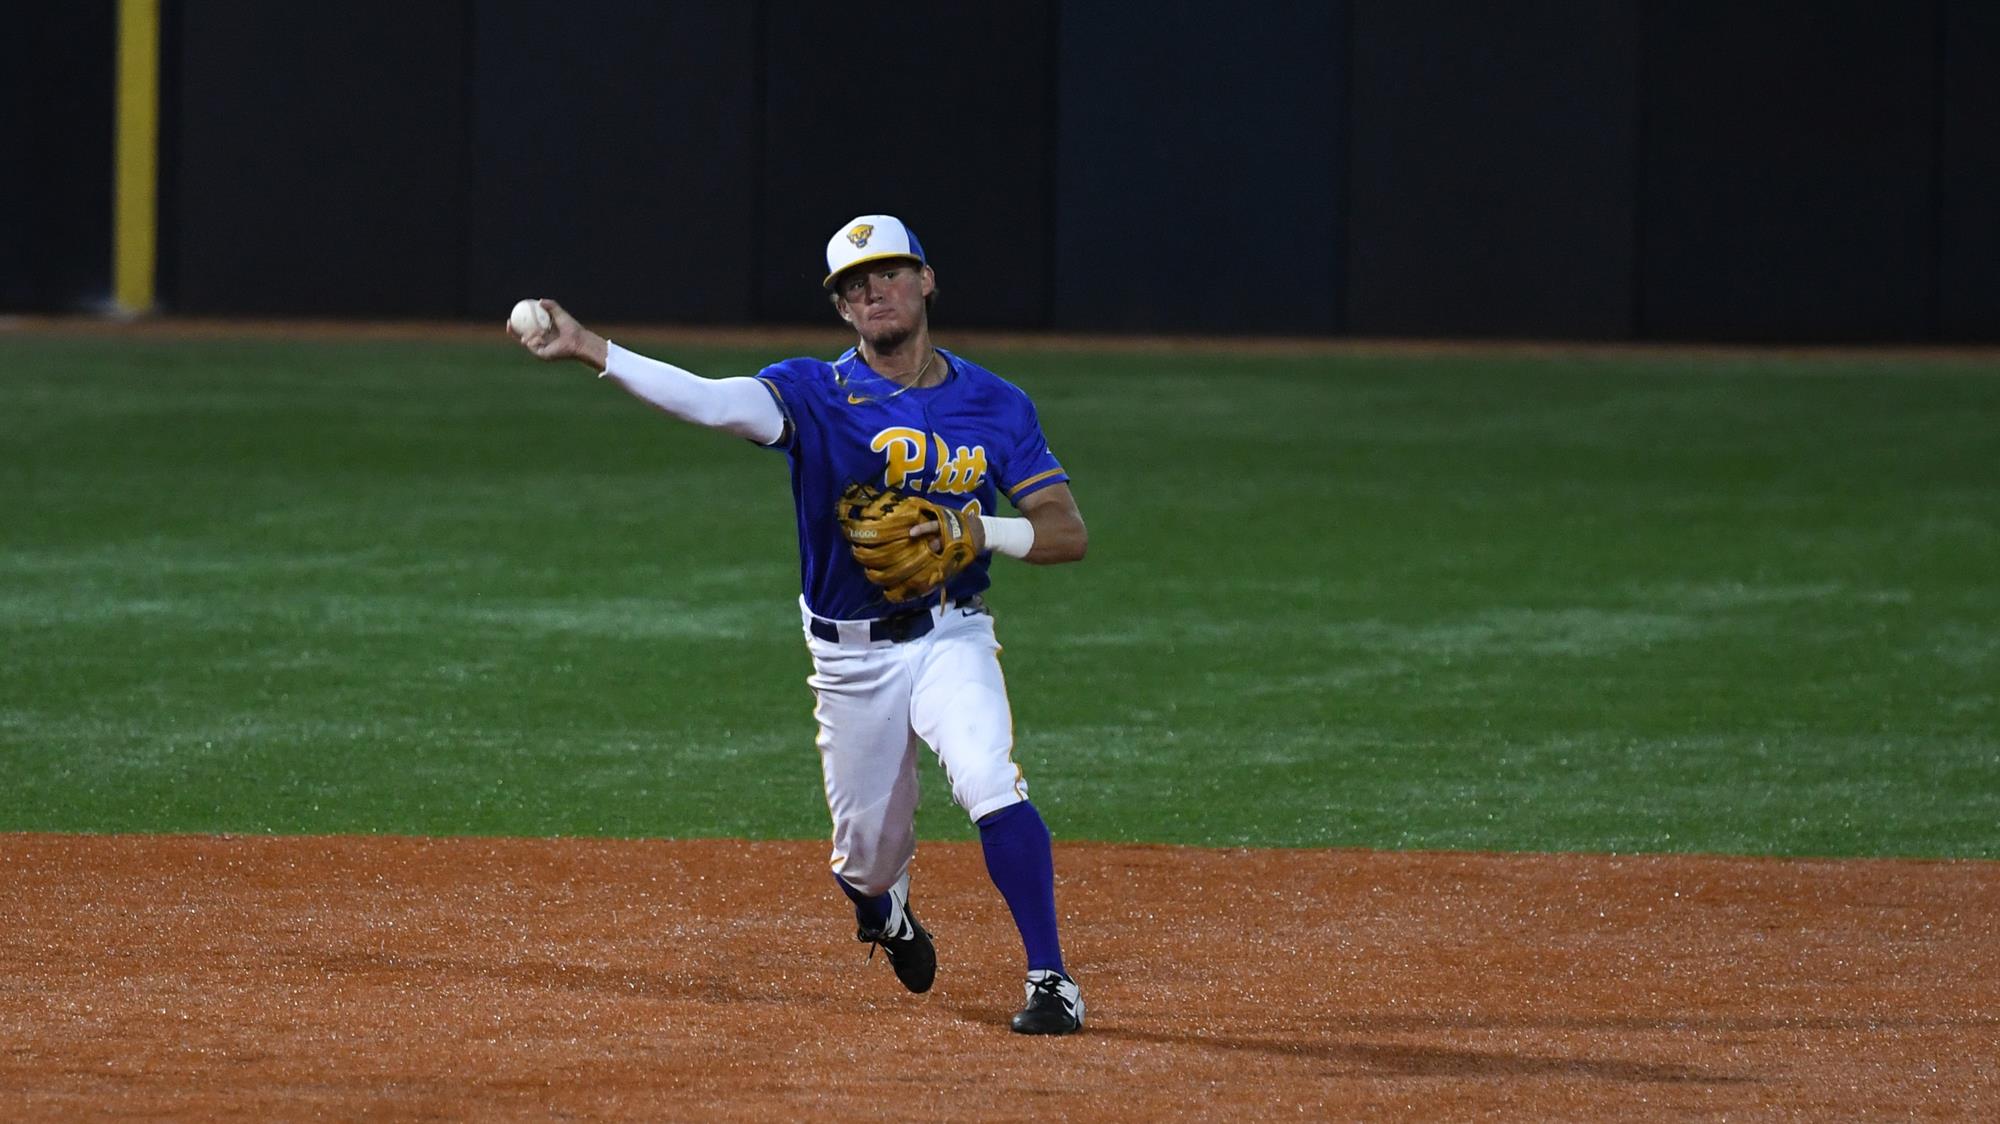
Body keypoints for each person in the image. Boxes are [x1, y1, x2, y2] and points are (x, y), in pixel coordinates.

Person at [509, 214, 1089, 1034]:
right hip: (851, 659)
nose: (871, 290)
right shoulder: (812, 394)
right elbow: (711, 404)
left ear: (926, 280)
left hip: (951, 632)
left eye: (887, 272)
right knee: (865, 859)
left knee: (989, 778)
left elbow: (1068, 533)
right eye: (853, 285)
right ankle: (884, 911)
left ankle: (1052, 979)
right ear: (843, 311)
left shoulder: (997, 404)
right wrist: (593, 348)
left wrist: (978, 531)